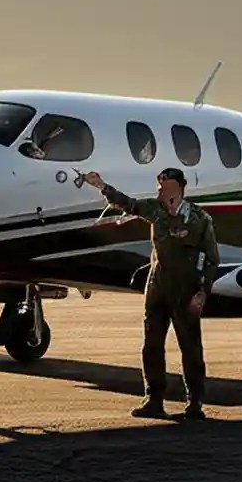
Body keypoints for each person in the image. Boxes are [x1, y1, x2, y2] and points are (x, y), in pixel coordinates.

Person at [81, 167, 220, 420]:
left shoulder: (200, 219)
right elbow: (128, 204)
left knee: (190, 348)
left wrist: (202, 292)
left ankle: (195, 403)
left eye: (165, 185)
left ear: (178, 187)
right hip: (157, 289)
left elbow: (212, 259)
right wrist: (102, 186)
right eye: (159, 185)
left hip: (186, 291)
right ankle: (154, 399)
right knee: (152, 346)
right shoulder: (154, 210)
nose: (161, 189)